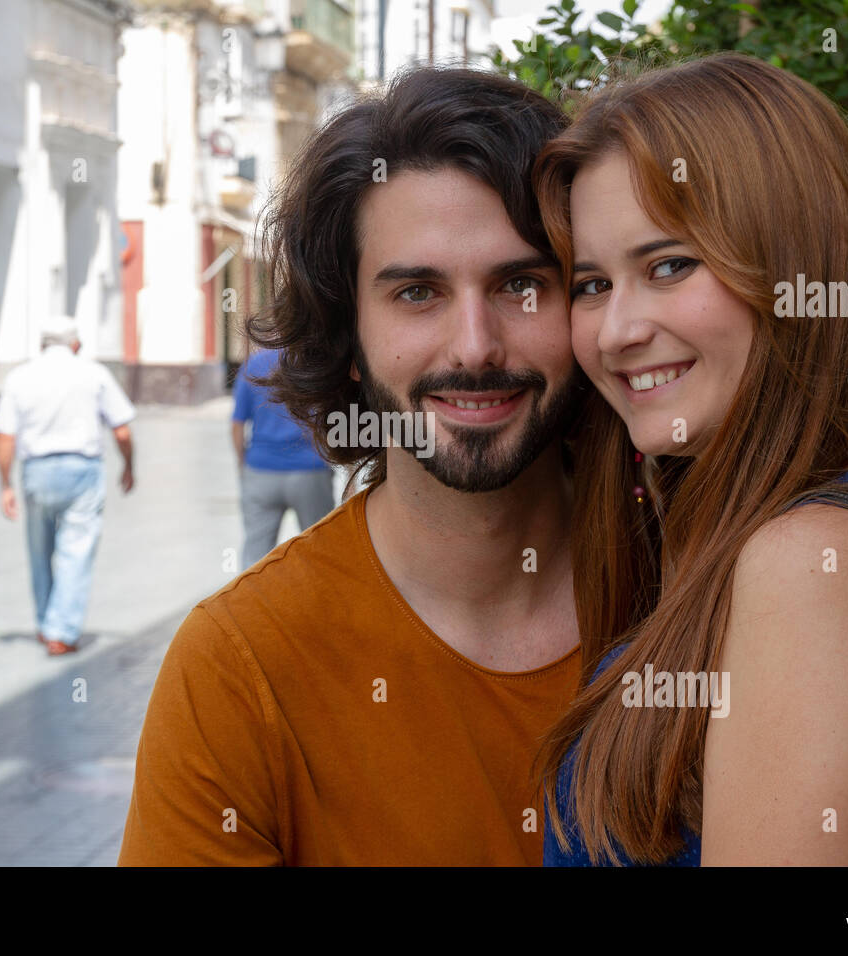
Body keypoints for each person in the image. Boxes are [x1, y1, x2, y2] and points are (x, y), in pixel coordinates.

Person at [533, 52, 848, 865]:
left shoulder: (816, 565)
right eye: (592, 284)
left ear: (798, 266)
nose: (616, 330)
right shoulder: (805, 526)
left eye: (669, 265)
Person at [118, 67, 587, 865]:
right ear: (346, 337)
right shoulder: (239, 667)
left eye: (521, 284)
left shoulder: (703, 588)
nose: (475, 345)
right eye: (417, 293)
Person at [0, 315, 137, 656]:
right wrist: (129, 465)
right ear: (75, 344)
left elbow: (5, 436)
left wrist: (5, 484)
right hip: (81, 470)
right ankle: (63, 632)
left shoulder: (19, 377)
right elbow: (122, 430)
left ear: (42, 344)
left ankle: (45, 624)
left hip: (36, 472)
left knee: (39, 551)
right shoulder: (94, 374)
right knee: (77, 551)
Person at [231, 346, 335, 568]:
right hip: (310, 471)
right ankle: (319, 601)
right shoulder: (315, 362)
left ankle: (252, 602)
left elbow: (237, 423)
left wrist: (243, 465)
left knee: (255, 559)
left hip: (261, 471)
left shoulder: (252, 366)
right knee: (322, 551)